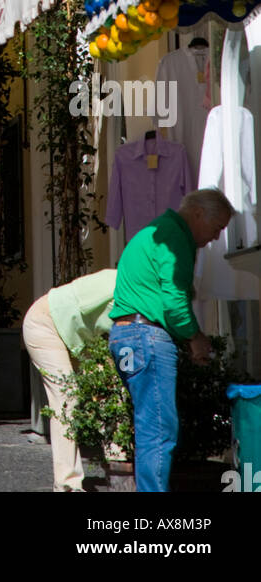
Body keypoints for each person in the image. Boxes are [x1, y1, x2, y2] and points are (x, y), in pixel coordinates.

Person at [108, 187, 234, 493]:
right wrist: (196, 337)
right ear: (198, 213)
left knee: (150, 427)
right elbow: (175, 304)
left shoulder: (158, 231)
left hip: (127, 335)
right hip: (145, 336)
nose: (216, 238)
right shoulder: (173, 236)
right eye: (217, 229)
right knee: (159, 431)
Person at [22, 268, 118, 492]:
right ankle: (67, 485)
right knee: (67, 397)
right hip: (44, 324)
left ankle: (118, 463)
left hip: (78, 335)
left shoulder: (132, 287)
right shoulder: (122, 291)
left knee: (112, 389)